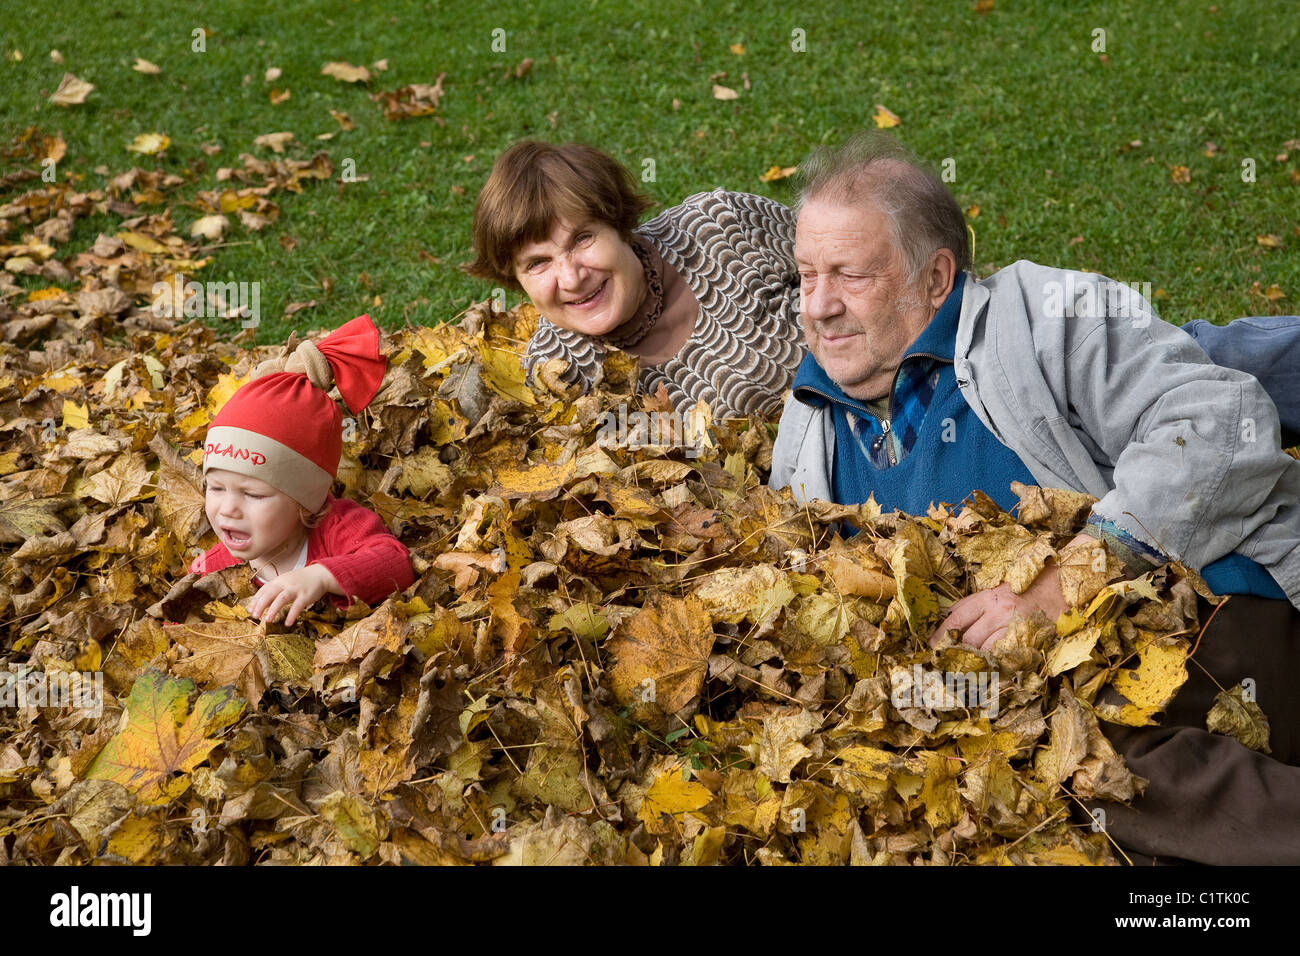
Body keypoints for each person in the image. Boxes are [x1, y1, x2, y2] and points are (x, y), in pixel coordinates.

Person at [769, 131, 1300, 864]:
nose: (819, 307)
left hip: (1208, 613)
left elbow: (1220, 422)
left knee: (1084, 761)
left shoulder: (1046, 316)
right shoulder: (805, 430)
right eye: (804, 277)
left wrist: (1069, 578)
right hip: (1023, 704)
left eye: (848, 275)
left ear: (936, 277)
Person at [469, 140, 804, 418]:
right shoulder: (556, 373)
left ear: (619, 225)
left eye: (583, 239)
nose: (571, 279)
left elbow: (848, 267)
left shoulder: (722, 226)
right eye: (538, 263)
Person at [191, 315, 415, 626]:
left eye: (252, 494)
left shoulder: (338, 529)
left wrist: (322, 576)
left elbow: (396, 563)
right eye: (216, 488)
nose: (228, 509)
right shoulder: (215, 568)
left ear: (306, 500)